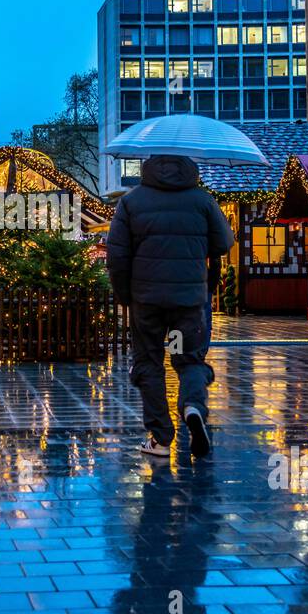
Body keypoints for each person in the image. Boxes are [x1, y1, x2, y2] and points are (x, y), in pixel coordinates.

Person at [107, 155, 235, 459]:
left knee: (149, 362)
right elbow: (224, 243)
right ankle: (192, 406)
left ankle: (161, 439)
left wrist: (126, 295)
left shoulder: (131, 201)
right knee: (185, 359)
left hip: (148, 304)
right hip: (186, 305)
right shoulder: (202, 201)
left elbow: (116, 256)